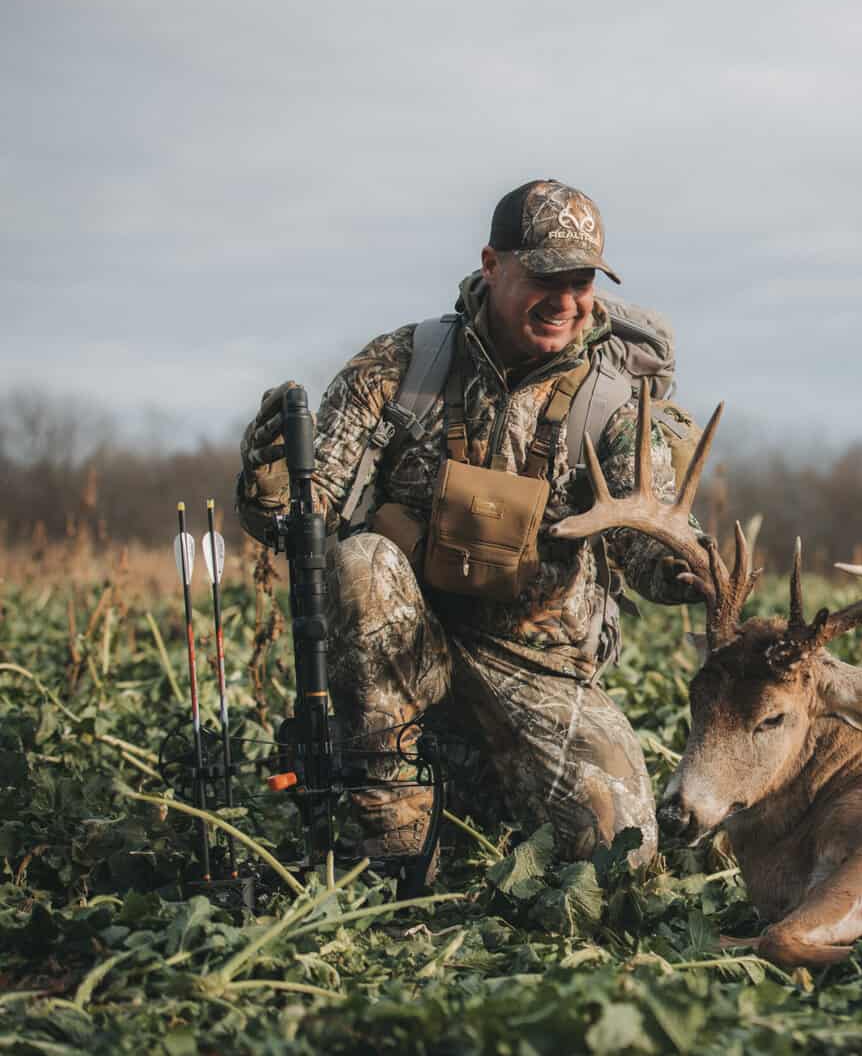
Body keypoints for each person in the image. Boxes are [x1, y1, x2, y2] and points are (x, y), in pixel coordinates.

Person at [236, 179, 701, 870]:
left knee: (619, 856)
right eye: (544, 276)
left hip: (537, 668)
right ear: (492, 265)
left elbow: (645, 550)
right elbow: (302, 516)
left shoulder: (615, 404)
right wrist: (269, 479)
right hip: (405, 652)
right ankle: (390, 834)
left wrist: (685, 567)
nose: (565, 300)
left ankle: (465, 793)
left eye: (579, 282)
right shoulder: (401, 364)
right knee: (360, 561)